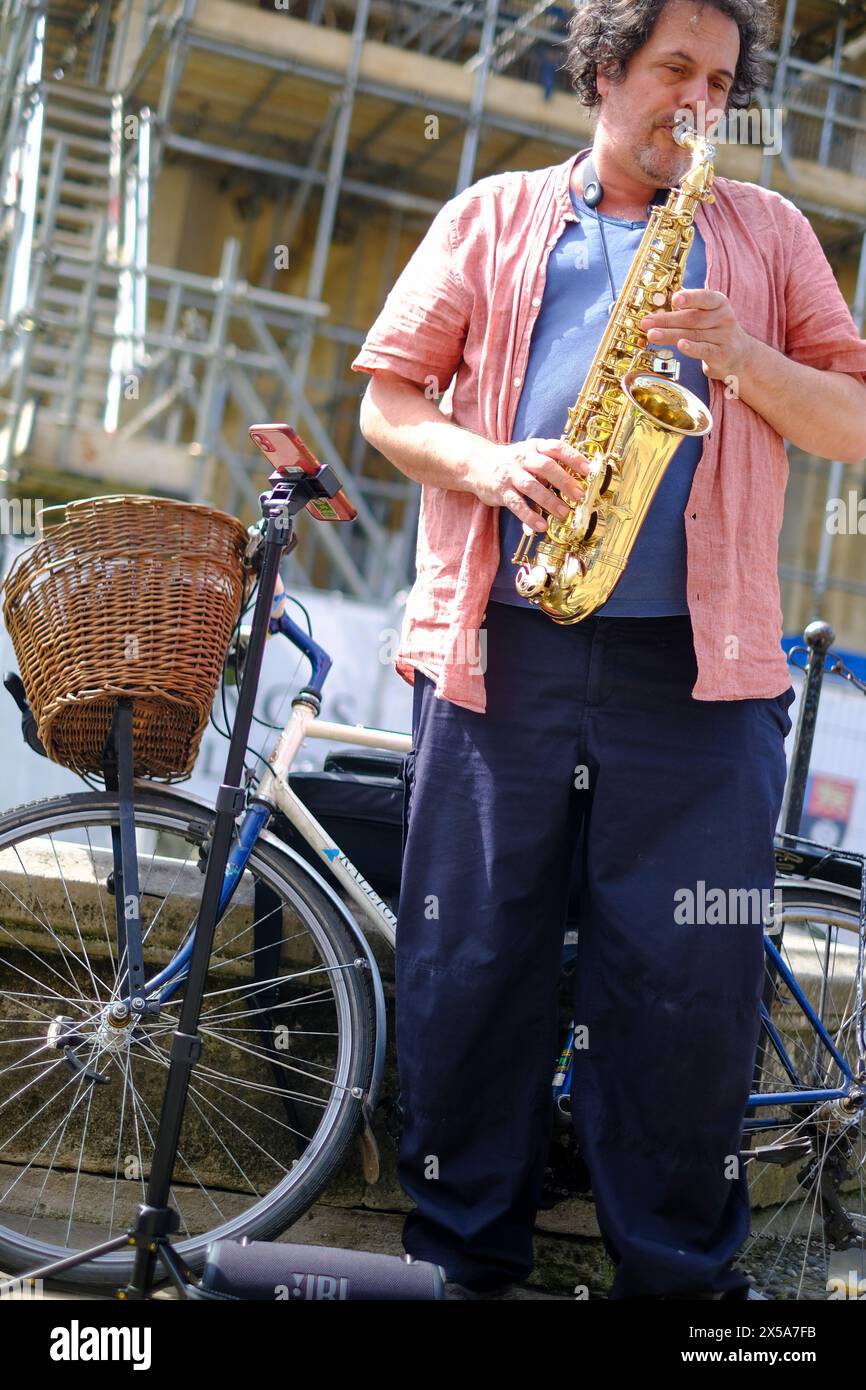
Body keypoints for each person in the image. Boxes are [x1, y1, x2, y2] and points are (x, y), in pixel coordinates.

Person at [352, 0, 866, 1300]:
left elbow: (851, 422)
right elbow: (386, 402)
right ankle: (463, 1259)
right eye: (671, 70)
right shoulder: (488, 214)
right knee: (471, 966)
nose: (697, 99)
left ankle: (680, 1283)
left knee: (687, 987)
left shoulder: (769, 235)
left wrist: (739, 354)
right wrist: (488, 458)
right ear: (602, 70)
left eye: (720, 79)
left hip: (697, 684)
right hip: (499, 654)